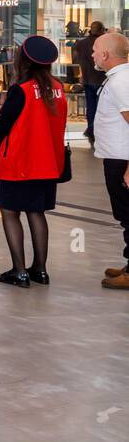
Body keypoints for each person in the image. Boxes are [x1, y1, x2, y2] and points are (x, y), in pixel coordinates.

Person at [0, 35, 68, 288]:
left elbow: (4, 126)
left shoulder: (20, 90)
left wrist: (3, 141)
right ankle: (40, 270)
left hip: (20, 162)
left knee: (9, 211)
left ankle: (19, 270)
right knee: (36, 212)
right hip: (49, 162)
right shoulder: (58, 88)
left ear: (22, 60)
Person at [91, 31, 129, 290]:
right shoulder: (118, 79)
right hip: (116, 157)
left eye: (94, 50)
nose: (92, 54)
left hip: (122, 161)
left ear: (105, 54)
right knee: (126, 215)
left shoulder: (120, 82)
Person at [74, 21, 107, 142]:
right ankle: (94, 131)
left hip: (87, 79)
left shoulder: (81, 44)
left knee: (91, 107)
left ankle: (91, 131)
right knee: (101, 108)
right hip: (101, 80)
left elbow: (77, 58)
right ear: (101, 30)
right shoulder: (103, 43)